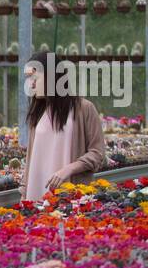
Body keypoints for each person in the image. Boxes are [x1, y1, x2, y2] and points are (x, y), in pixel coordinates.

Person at [20, 51, 106, 201]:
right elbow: (31, 159)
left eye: (35, 78)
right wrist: (24, 193)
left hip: (69, 196)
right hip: (36, 196)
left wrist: (68, 169)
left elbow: (97, 153)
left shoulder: (84, 109)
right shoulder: (38, 113)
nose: (31, 84)